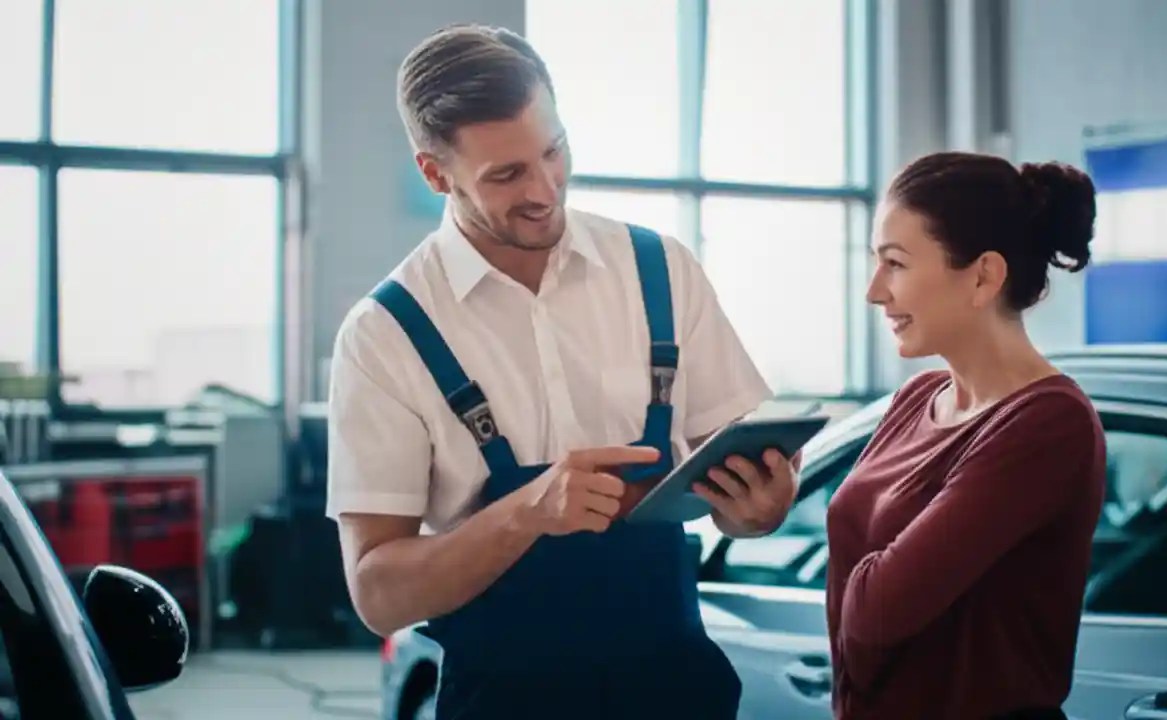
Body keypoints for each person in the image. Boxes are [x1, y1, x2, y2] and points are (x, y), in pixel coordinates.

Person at [326, 24, 798, 720]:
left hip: (678, 692)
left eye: (554, 151)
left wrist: (759, 510)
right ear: (435, 174)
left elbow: (740, 489)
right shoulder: (385, 335)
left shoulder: (660, 271)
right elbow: (377, 594)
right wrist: (527, 513)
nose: (545, 189)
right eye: (506, 174)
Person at [825, 152, 1107, 720]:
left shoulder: (1047, 423)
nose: (874, 291)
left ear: (983, 276)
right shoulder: (915, 399)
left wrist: (860, 590)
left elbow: (878, 613)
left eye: (896, 264)